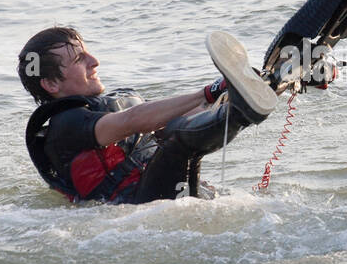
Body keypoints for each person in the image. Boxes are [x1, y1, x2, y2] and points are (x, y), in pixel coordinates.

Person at [17, 26, 278, 204]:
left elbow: (176, 123)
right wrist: (210, 92)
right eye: (79, 60)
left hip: (165, 192)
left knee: (179, 130)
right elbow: (131, 121)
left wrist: (232, 94)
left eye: (87, 52)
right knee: (180, 142)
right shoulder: (66, 126)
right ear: (51, 84)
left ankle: (268, 87)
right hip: (133, 205)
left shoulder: (112, 102)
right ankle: (242, 113)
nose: (94, 61)